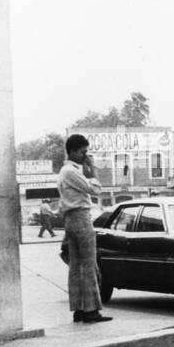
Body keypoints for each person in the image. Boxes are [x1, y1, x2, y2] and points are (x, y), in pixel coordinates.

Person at [58, 134, 112, 323]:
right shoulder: (71, 172)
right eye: (82, 152)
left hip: (71, 219)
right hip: (81, 217)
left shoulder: (65, 171)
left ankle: (79, 308)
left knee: (76, 266)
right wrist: (93, 170)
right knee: (89, 264)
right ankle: (91, 310)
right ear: (72, 151)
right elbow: (95, 189)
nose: (85, 155)